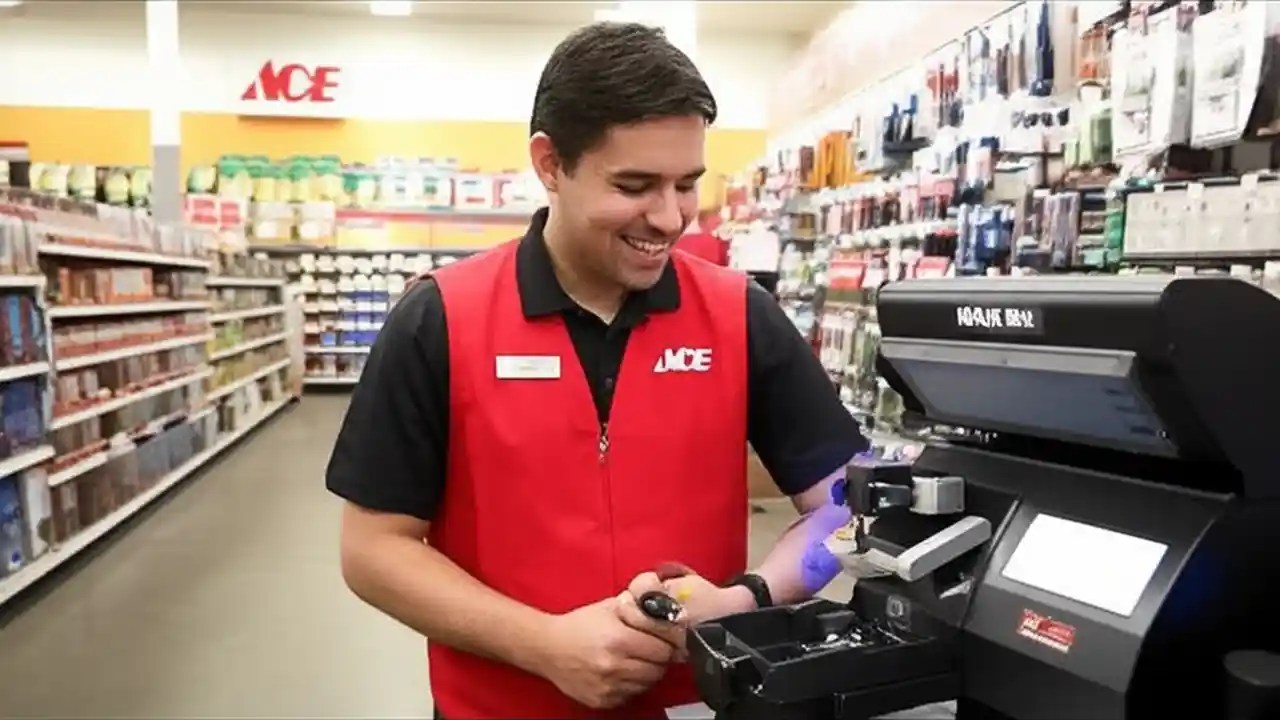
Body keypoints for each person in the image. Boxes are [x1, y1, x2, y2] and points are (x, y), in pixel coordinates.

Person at [326, 21, 867, 720]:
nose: (669, 218)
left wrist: (747, 598)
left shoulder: (739, 315)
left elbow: (852, 505)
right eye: (635, 184)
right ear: (550, 164)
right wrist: (545, 644)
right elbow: (373, 552)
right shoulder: (441, 318)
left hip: (695, 706)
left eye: (687, 184)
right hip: (496, 707)